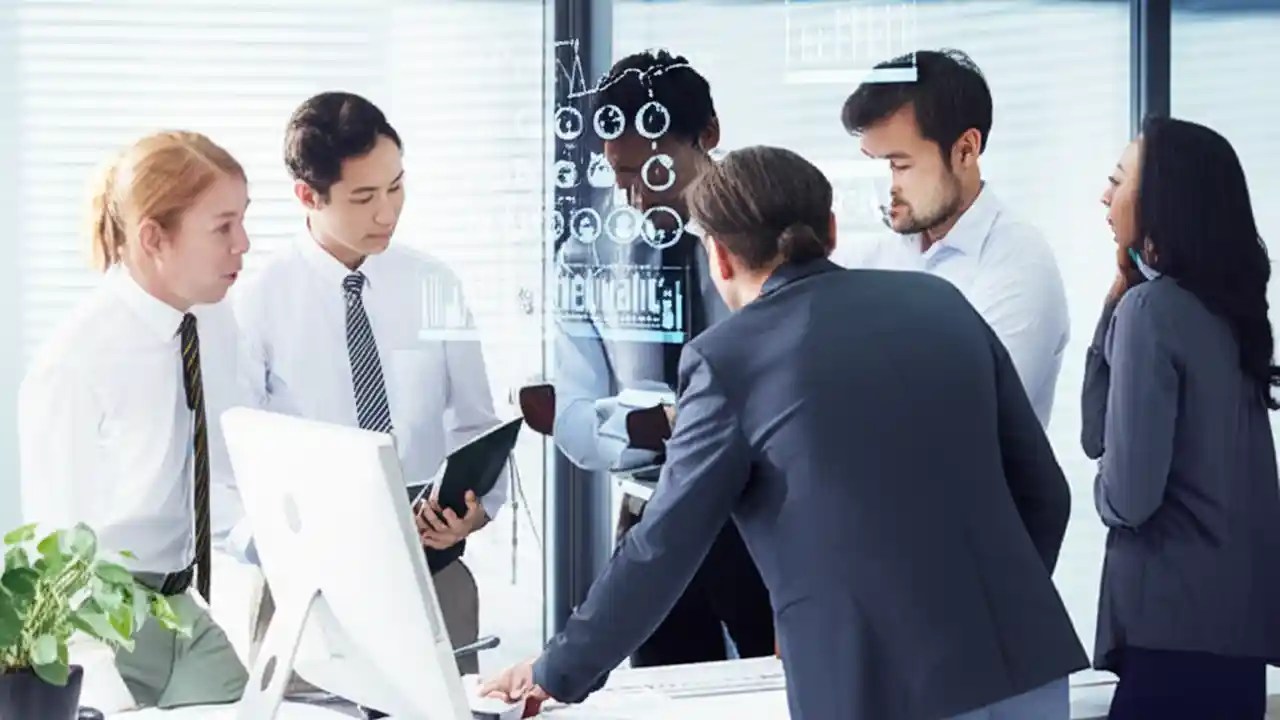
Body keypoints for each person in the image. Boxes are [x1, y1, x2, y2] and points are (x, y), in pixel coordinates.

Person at [482, 145, 1088, 720]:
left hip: (877, 684)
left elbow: (663, 544)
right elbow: (1044, 492)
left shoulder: (727, 358)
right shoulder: (941, 301)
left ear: (718, 256)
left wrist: (558, 668)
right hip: (1026, 664)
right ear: (830, 229)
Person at [230, 92, 506, 696]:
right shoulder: (256, 302)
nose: (388, 213)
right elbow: (233, 471)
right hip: (309, 600)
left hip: (433, 583)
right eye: (364, 197)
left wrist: (474, 509)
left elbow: (475, 425)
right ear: (308, 195)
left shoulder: (435, 285)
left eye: (396, 187)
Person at [551, 48, 774, 667]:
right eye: (618, 172)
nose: (631, 190)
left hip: (764, 520)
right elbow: (573, 418)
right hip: (653, 519)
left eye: (650, 168)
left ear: (708, 136)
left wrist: (634, 423)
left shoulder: (773, 238)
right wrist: (654, 429)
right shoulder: (586, 258)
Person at [18, 130, 252, 710]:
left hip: (179, 606)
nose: (243, 244)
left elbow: (222, 475)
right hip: (96, 623)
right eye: (222, 227)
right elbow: (56, 551)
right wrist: (94, 687)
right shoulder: (76, 361)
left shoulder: (211, 323)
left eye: (243, 220)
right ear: (154, 238)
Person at [1084, 116, 1280, 719]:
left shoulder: (1154, 310)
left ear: (1163, 199)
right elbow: (1100, 433)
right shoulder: (1226, 312)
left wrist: (1100, 494)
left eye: (1118, 180)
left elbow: (1127, 493)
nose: (1104, 195)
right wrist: (1116, 298)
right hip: (1234, 641)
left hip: (1172, 640)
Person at [840, 48, 1069, 427]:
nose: (886, 188)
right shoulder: (865, 258)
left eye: (900, 165)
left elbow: (965, 419)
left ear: (965, 150)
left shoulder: (1019, 263)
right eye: (875, 165)